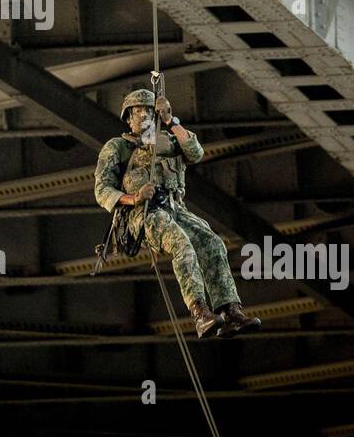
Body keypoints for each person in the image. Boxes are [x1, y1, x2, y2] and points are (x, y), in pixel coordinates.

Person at [93, 88, 262, 339]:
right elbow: (102, 189)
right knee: (181, 244)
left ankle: (231, 311)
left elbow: (195, 152)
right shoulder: (117, 147)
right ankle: (200, 313)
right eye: (139, 111)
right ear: (128, 117)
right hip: (145, 214)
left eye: (150, 111)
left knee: (213, 243)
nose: (145, 115)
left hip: (175, 208)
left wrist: (171, 120)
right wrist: (135, 198)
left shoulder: (168, 140)